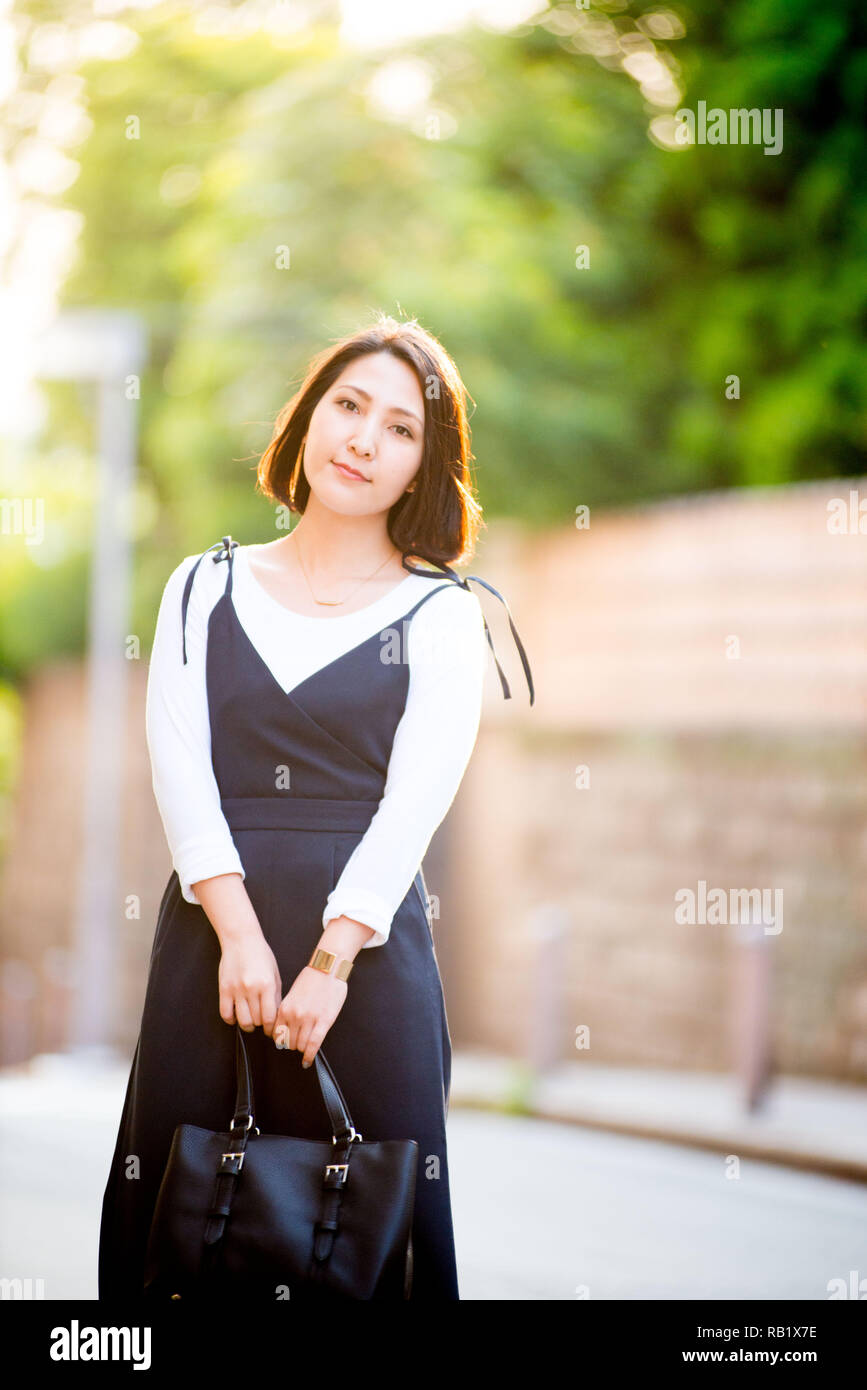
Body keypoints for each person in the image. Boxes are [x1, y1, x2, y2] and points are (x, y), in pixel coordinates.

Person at [97, 313, 534, 1302]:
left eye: (399, 428)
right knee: (176, 1225)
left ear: (426, 465)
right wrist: (241, 939)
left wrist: (334, 957)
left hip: (371, 967)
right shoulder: (202, 585)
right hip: (214, 948)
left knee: (376, 1241)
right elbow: (181, 771)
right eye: (348, 405)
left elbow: (417, 800)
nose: (363, 439)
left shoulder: (442, 612)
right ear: (309, 417)